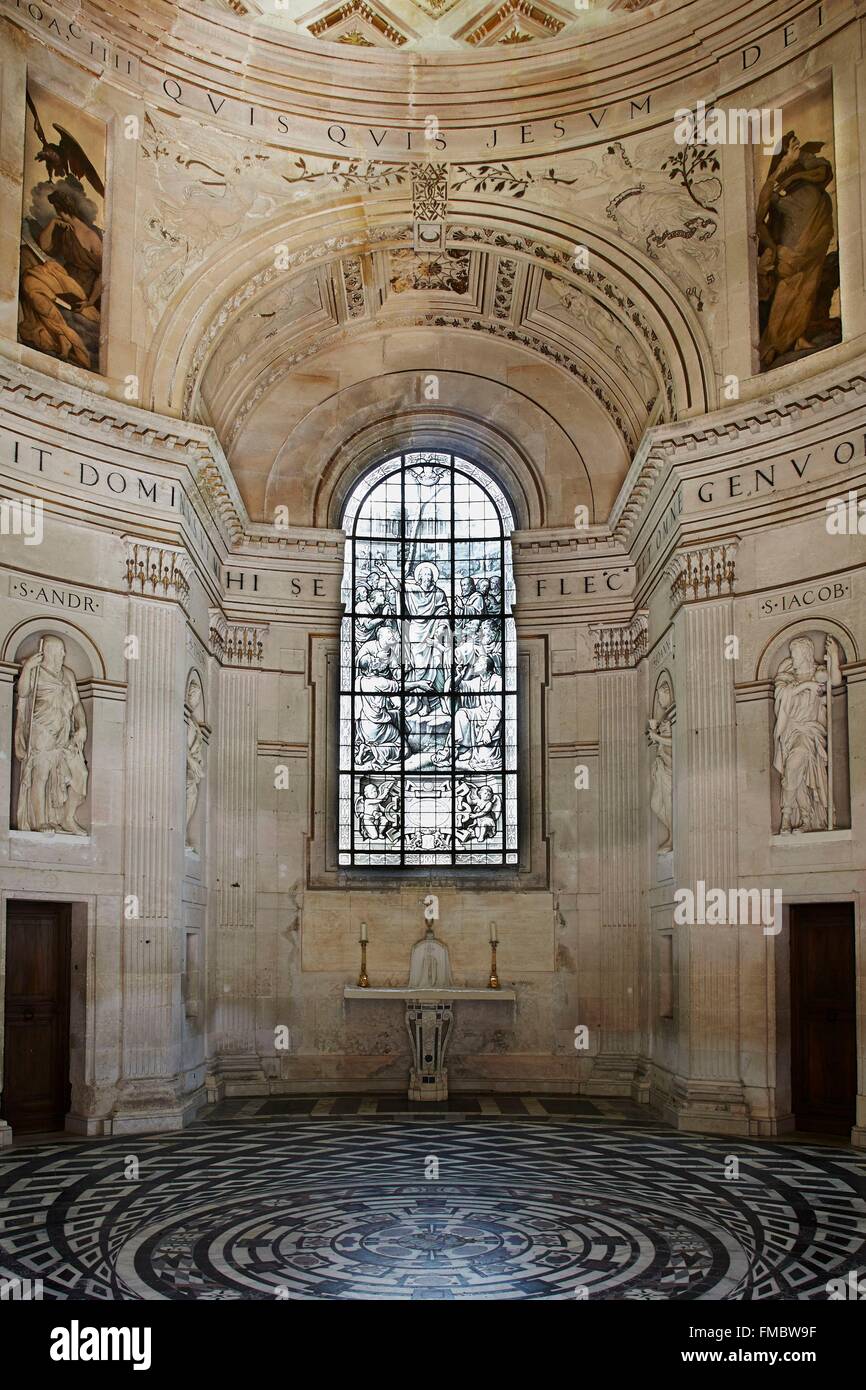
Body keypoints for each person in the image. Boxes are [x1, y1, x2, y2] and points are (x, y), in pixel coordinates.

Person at [757, 132, 836, 369]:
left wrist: (796, 172)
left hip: (815, 240)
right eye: (792, 147)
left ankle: (798, 337)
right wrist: (784, 167)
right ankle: (773, 345)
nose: (798, 149)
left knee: (808, 290)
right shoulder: (776, 181)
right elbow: (759, 215)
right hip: (792, 248)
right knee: (788, 292)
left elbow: (824, 171)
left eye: (798, 146)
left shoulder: (808, 168)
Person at [14, 635, 88, 833]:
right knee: (41, 775)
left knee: (80, 774)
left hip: (66, 732)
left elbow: (77, 703)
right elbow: (23, 693)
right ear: (47, 652)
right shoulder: (36, 671)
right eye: (59, 650)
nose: (64, 653)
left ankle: (67, 817)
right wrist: (28, 668)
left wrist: (82, 727)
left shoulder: (68, 674)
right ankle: (40, 821)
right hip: (42, 730)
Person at [773, 635, 841, 832]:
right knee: (796, 776)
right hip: (790, 731)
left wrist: (834, 656)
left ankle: (787, 816)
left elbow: (835, 681)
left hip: (809, 732)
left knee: (795, 767)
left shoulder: (818, 673)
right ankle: (805, 819)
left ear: (804, 654)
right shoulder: (787, 676)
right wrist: (806, 686)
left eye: (795, 653)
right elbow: (782, 696)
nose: (792, 657)